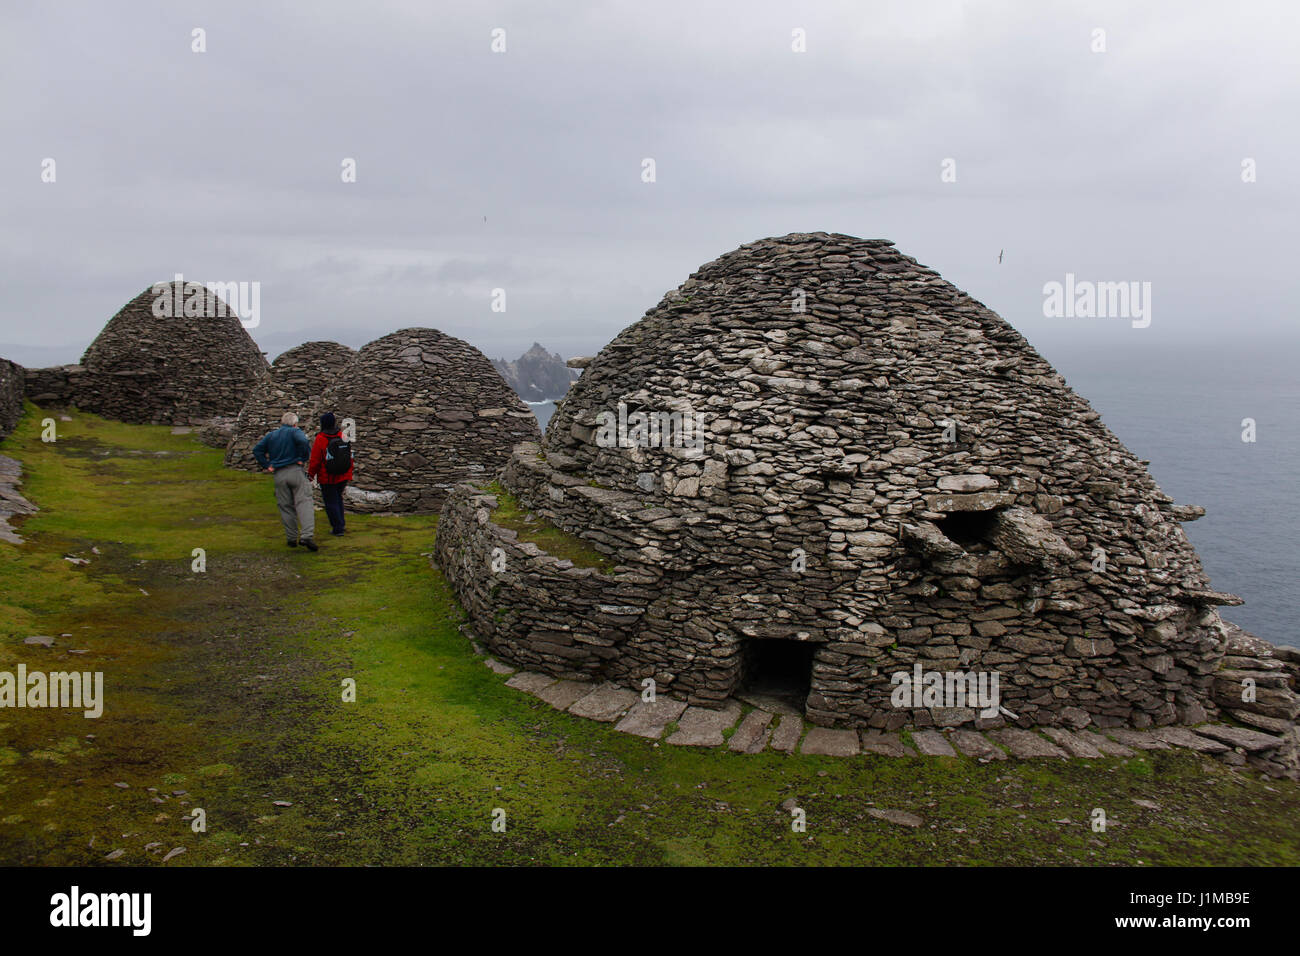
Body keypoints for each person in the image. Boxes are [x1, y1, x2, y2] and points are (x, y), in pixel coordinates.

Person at [252, 412, 317, 551]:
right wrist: (303, 457)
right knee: (304, 502)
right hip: (295, 470)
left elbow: (257, 450)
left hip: (279, 473)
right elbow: (304, 441)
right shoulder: (295, 432)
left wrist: (266, 464)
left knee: (285, 506)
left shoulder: (272, 435)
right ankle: (306, 535)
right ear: (295, 424)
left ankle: (291, 538)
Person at [307, 411, 353, 536]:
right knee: (338, 499)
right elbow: (349, 456)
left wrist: (311, 475)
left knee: (330, 502)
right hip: (342, 475)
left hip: (327, 476)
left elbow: (315, 460)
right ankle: (341, 524)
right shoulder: (342, 435)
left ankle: (337, 528)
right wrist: (349, 472)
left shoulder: (321, 438)